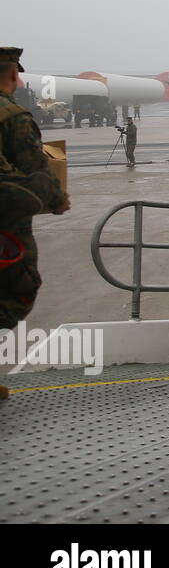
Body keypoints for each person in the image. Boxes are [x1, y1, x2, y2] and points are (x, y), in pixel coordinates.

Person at [0, 47, 71, 401]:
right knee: (19, 289)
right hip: (6, 224)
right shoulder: (13, 116)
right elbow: (36, 169)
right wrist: (57, 199)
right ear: (14, 75)